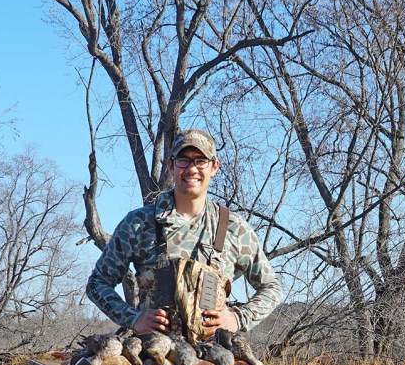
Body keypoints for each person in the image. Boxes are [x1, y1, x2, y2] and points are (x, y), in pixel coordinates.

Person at [87, 127, 282, 337]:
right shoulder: (139, 223)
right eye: (183, 160)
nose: (192, 169)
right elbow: (97, 283)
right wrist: (133, 318)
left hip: (214, 356)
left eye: (200, 160)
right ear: (170, 165)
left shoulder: (233, 227)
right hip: (153, 354)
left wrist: (237, 318)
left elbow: (272, 287)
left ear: (214, 167)